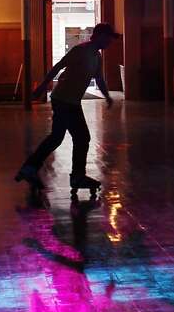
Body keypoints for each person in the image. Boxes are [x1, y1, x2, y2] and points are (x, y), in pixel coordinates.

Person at [16, 22, 120, 197]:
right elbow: (58, 66)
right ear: (100, 36)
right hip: (63, 99)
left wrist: (107, 96)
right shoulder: (80, 50)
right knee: (77, 137)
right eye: (109, 38)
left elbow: (99, 79)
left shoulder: (97, 56)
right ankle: (74, 176)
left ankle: (31, 168)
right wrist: (42, 87)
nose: (110, 42)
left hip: (72, 101)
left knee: (62, 137)